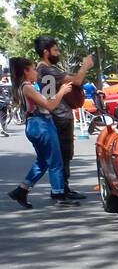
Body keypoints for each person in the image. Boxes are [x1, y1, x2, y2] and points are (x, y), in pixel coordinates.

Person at [7, 56, 77, 207]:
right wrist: (62, 92)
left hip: (35, 125)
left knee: (43, 161)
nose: (35, 72)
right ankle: (59, 194)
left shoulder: (24, 86)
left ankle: (22, 190)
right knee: (55, 161)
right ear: (25, 71)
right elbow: (49, 105)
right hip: (41, 124)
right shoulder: (27, 87)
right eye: (32, 69)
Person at [34, 35, 94, 200]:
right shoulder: (47, 69)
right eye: (55, 50)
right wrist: (85, 66)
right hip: (59, 117)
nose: (58, 53)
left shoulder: (44, 70)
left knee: (63, 155)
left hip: (59, 115)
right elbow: (77, 80)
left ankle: (63, 188)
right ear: (46, 52)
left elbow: (50, 93)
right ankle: (60, 190)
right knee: (63, 154)